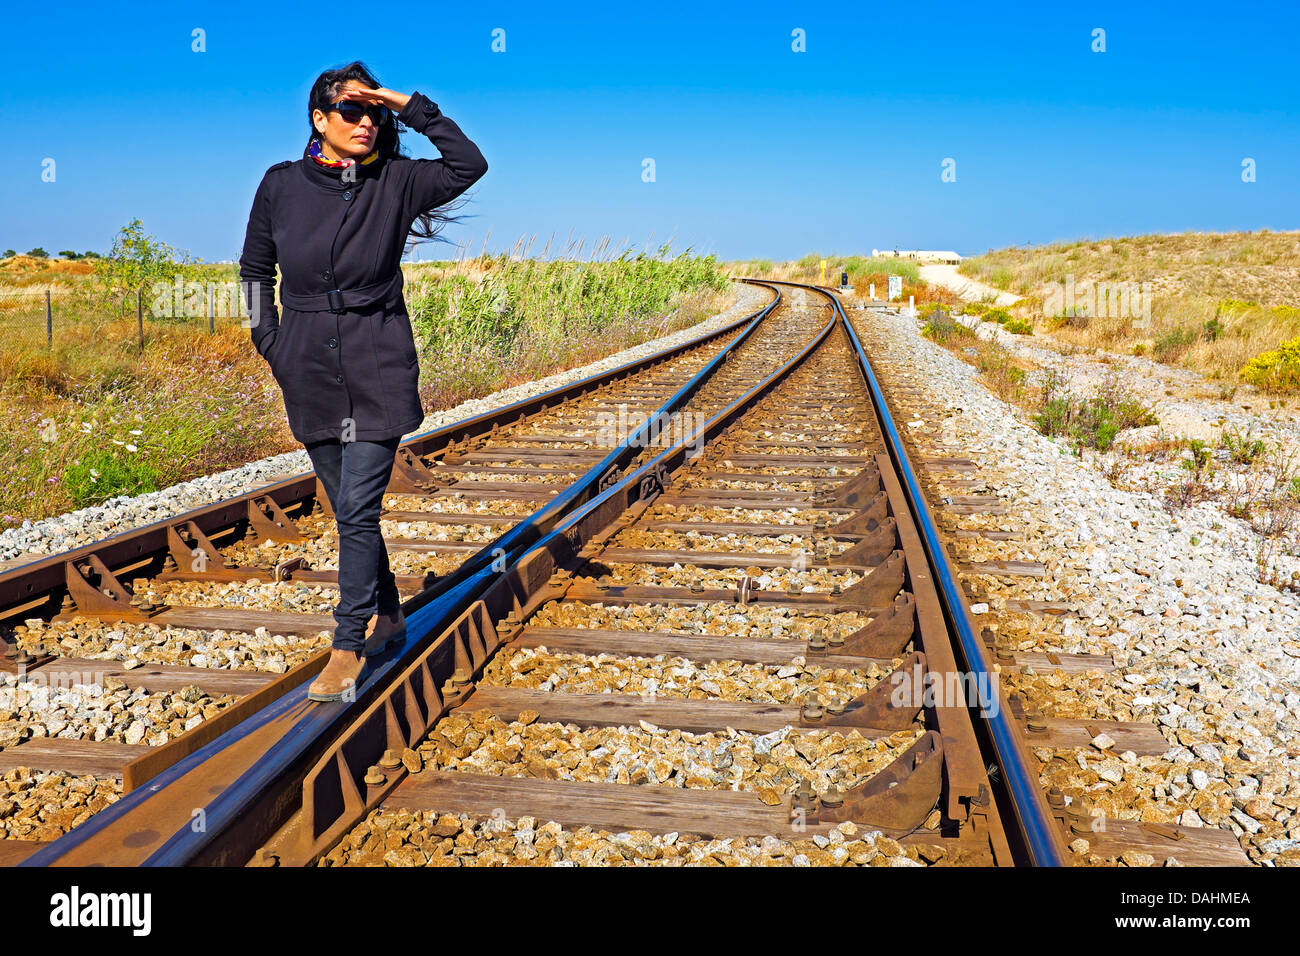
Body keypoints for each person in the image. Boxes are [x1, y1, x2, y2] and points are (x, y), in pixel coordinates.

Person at [238, 61, 488, 701]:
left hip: (376, 360)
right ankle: (393, 613)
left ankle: (348, 644)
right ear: (319, 120)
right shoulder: (280, 186)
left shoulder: (398, 181)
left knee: (355, 508)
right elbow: (254, 271)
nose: (366, 121)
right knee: (344, 499)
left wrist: (411, 105)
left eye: (374, 111)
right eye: (352, 109)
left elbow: (469, 164)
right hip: (308, 365)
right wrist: (273, 343)